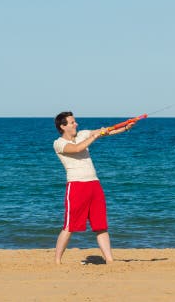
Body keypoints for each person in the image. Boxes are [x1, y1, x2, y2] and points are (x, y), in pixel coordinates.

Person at [52, 111, 136, 264]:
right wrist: (94, 136)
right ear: (63, 126)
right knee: (69, 226)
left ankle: (110, 260)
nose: (76, 124)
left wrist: (125, 127)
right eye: (72, 122)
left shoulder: (83, 134)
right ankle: (57, 261)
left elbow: (106, 131)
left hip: (94, 184)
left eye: (75, 121)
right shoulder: (59, 143)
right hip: (76, 185)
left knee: (101, 225)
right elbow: (77, 148)